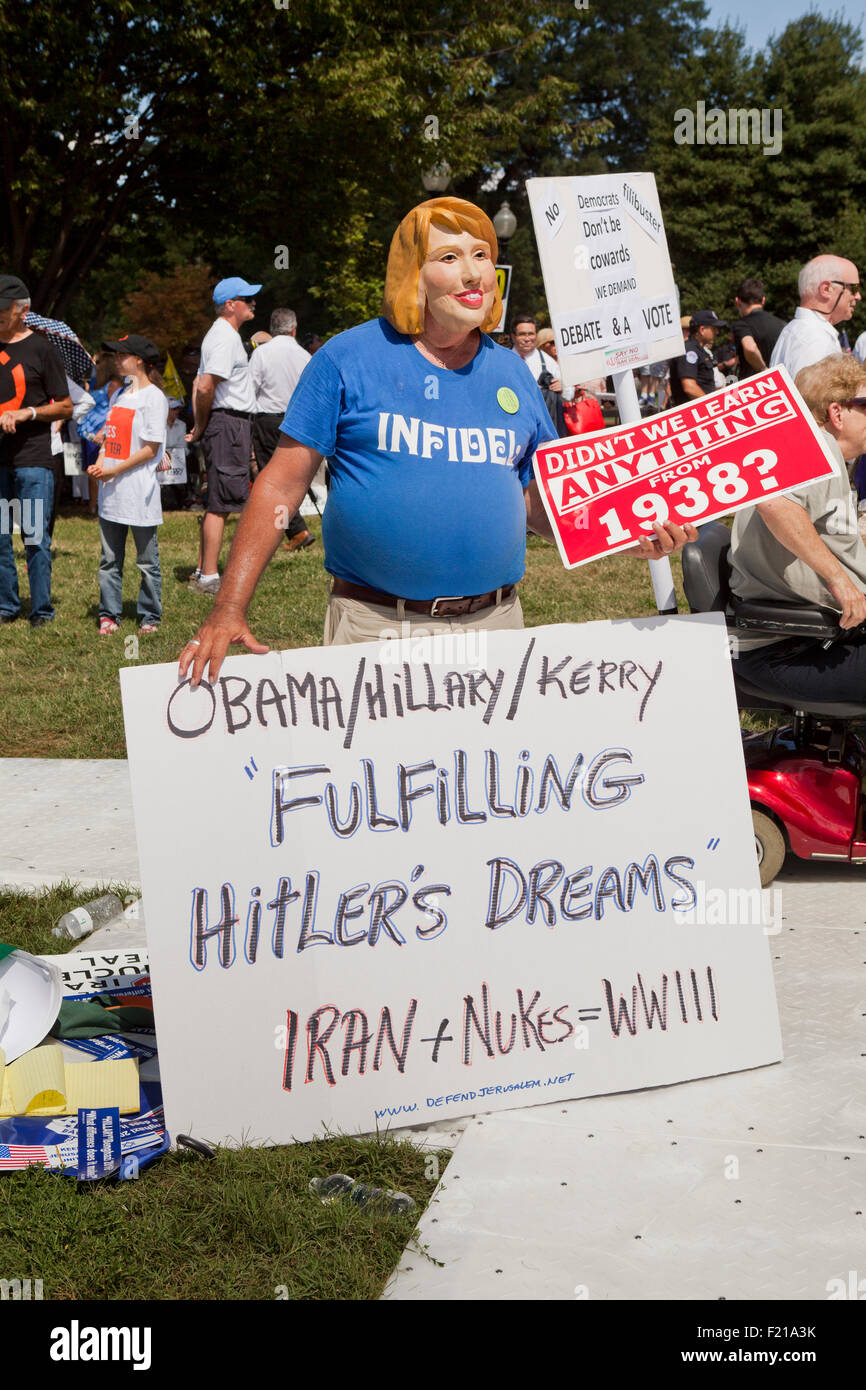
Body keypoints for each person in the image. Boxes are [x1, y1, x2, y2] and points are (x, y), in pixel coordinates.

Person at [178, 196, 695, 685]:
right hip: (374, 628)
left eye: (482, 256)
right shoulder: (346, 358)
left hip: (498, 626)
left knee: (491, 780)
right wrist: (228, 608)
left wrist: (617, 533)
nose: (473, 272)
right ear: (412, 274)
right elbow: (280, 487)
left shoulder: (513, 374)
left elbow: (537, 504)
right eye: (449, 256)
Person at [729, 353, 866, 702]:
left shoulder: (825, 452)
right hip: (788, 648)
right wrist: (841, 581)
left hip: (809, 636)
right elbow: (776, 504)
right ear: (838, 412)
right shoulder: (815, 445)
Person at [0, 275, 72, 626]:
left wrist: (27, 412)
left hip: (31, 459)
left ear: (23, 310)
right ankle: (6, 607)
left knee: (33, 537)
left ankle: (41, 610)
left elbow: (65, 406)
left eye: (3, 310)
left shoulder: (42, 349)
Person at [86, 335, 168, 636]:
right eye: (116, 355)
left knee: (147, 561)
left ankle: (150, 616)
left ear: (140, 361)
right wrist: (102, 460)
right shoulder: (119, 394)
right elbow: (111, 437)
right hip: (112, 492)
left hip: (139, 492)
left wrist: (114, 470)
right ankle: (109, 613)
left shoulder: (155, 398)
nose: (117, 360)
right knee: (109, 560)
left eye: (123, 355)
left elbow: (150, 449)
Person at [186, 276, 261, 595]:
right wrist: (202, 426)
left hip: (227, 423)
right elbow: (204, 387)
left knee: (219, 497)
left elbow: (199, 384)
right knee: (221, 502)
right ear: (231, 305)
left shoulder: (223, 336)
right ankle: (209, 578)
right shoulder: (223, 337)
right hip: (227, 424)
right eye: (248, 299)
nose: (253, 303)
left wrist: (201, 426)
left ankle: (205, 570)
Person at [249, 308, 314, 552]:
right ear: (294, 329)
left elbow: (250, 389)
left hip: (268, 420)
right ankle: (291, 529)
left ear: (272, 328)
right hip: (298, 420)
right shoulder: (304, 356)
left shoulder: (262, 354)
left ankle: (296, 530)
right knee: (291, 478)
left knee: (271, 478)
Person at [770, 255, 861, 381]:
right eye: (854, 288)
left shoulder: (802, 330)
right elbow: (812, 400)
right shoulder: (814, 338)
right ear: (826, 289)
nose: (858, 296)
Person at [731, 278, 785, 379]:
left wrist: (763, 369)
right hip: (780, 383)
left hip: (753, 387)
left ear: (737, 302)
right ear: (763, 300)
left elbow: (750, 348)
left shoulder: (741, 325)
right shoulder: (782, 324)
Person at [669, 311, 726, 405]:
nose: (717, 332)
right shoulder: (689, 351)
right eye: (713, 328)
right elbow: (689, 387)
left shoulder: (700, 351)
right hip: (692, 412)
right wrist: (712, 405)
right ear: (702, 330)